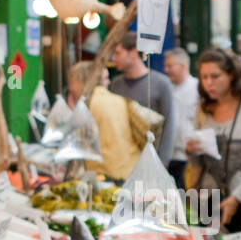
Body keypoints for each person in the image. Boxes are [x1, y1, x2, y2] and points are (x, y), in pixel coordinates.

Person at [185, 48, 241, 240]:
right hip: (209, 204)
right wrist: (192, 151)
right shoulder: (203, 109)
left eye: (215, 76)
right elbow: (198, 164)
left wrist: (237, 198)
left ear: (232, 75)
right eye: (204, 77)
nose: (209, 82)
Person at [53, 61, 139, 180]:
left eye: (72, 82)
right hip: (130, 170)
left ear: (82, 80)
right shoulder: (118, 100)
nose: (71, 87)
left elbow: (71, 142)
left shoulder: (86, 105)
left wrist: (72, 109)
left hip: (106, 173)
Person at [109, 34, 174, 165]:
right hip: (121, 163)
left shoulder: (161, 83)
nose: (114, 58)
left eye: (118, 53)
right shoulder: (115, 85)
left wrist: (161, 164)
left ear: (133, 52)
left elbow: (169, 126)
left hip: (150, 162)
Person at [163, 48, 197, 186]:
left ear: (182, 66)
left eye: (170, 66)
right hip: (168, 155)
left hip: (188, 157)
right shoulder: (166, 88)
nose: (166, 70)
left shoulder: (197, 88)